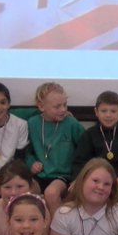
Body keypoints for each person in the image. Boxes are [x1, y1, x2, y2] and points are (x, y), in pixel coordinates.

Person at [26, 82, 85, 217]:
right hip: (39, 175)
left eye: (65, 105)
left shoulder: (71, 123)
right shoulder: (32, 123)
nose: (63, 110)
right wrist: (31, 163)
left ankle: (59, 227)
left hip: (62, 176)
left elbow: (85, 149)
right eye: (57, 106)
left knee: (51, 193)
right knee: (26, 191)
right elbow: (26, 151)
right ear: (41, 106)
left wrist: (78, 177)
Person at [73, 91, 118, 205]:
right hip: (94, 181)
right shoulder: (89, 135)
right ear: (96, 112)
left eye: (113, 111)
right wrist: (77, 179)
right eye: (104, 111)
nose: (108, 115)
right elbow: (80, 161)